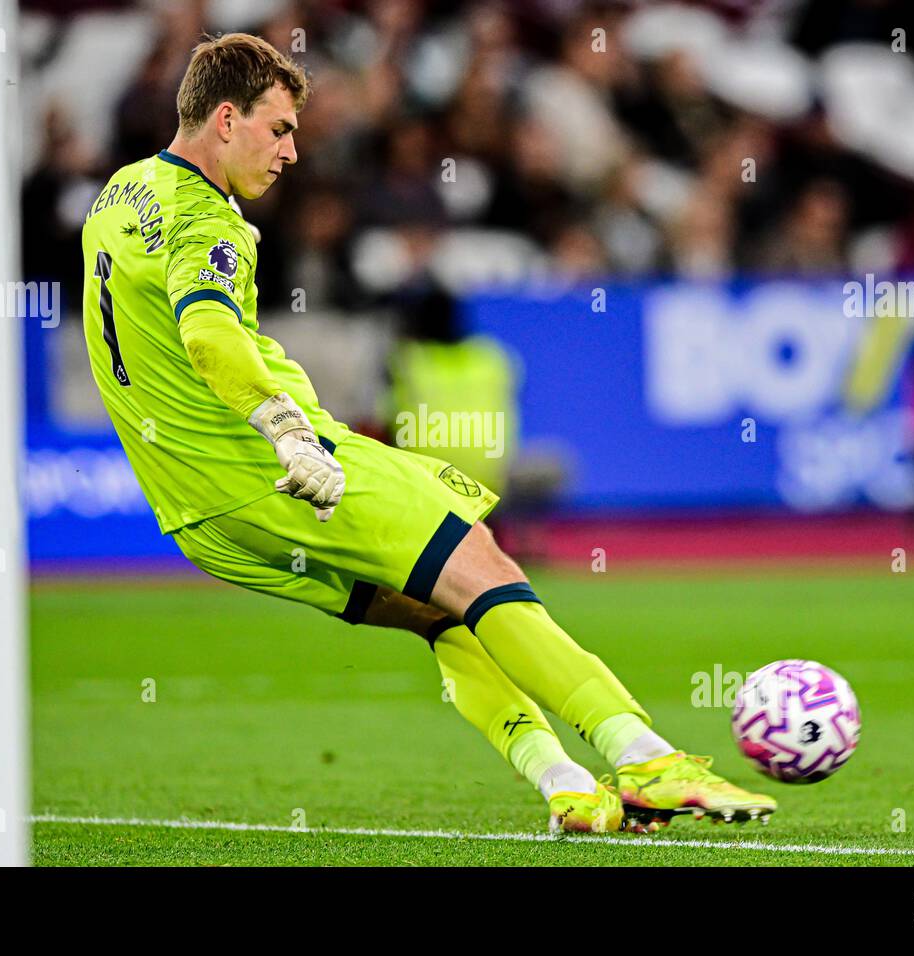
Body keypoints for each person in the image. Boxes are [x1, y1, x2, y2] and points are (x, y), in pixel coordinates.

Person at [80, 32, 775, 833]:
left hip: (196, 511)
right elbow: (208, 335)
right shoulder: (207, 222)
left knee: (444, 611)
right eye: (280, 130)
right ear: (226, 119)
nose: (294, 152)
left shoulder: (121, 193)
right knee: (482, 566)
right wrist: (288, 433)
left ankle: (565, 788)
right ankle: (647, 760)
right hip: (274, 467)